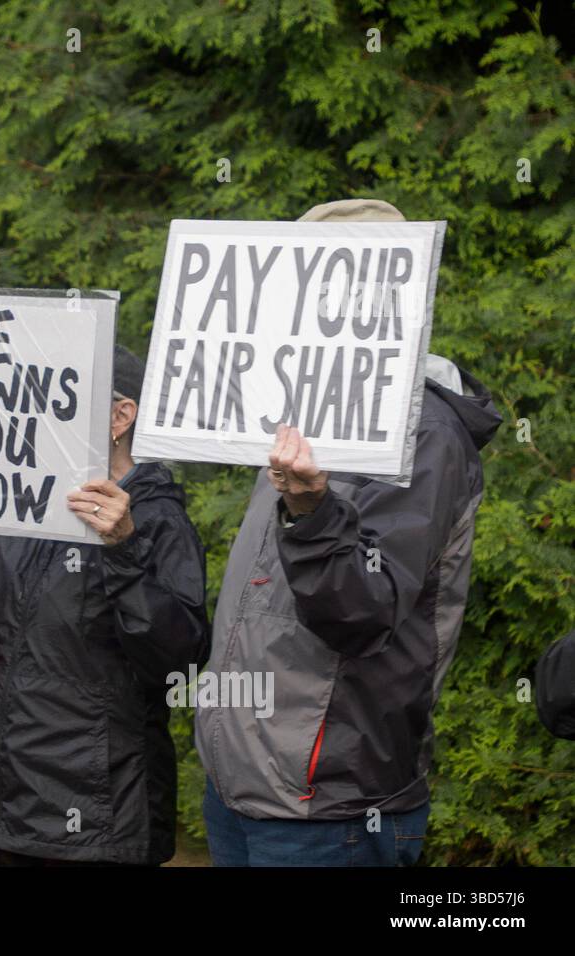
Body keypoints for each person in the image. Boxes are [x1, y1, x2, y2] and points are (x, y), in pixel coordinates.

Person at [195, 198, 503, 867]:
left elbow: (363, 611)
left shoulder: (423, 433)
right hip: (241, 790)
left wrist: (311, 511)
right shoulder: (297, 404)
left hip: (328, 809)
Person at [0, 344, 209, 866]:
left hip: (103, 811)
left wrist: (123, 549)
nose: (43, 408)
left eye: (64, 395)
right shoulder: (27, 501)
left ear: (121, 415)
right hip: (12, 799)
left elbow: (177, 661)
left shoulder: (157, 518)